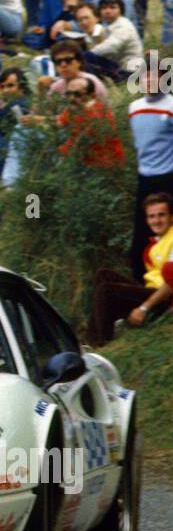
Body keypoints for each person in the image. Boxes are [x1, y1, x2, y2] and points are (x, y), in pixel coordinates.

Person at [88, 192, 173, 344]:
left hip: (165, 300)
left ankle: (99, 343)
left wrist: (143, 308)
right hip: (153, 293)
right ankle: (93, 338)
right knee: (103, 274)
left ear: (171, 217)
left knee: (107, 290)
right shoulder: (156, 244)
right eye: (151, 216)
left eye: (162, 215)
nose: (156, 220)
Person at [127, 64, 173, 278]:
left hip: (168, 177)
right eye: (147, 77)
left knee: (167, 228)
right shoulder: (134, 107)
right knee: (143, 231)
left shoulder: (171, 105)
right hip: (144, 177)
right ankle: (143, 279)